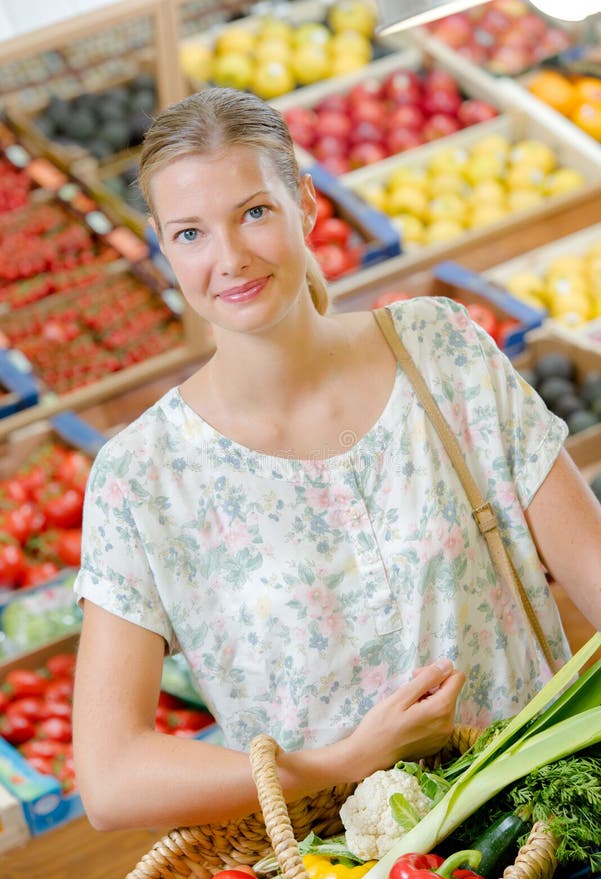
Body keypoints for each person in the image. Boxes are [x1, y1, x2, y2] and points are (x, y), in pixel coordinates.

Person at [72, 87, 601, 834]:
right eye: (190, 234)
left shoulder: (438, 347)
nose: (229, 259)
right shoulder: (141, 478)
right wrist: (345, 761)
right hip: (344, 870)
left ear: (306, 205)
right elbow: (110, 778)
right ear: (163, 246)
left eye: (253, 212)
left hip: (557, 827)